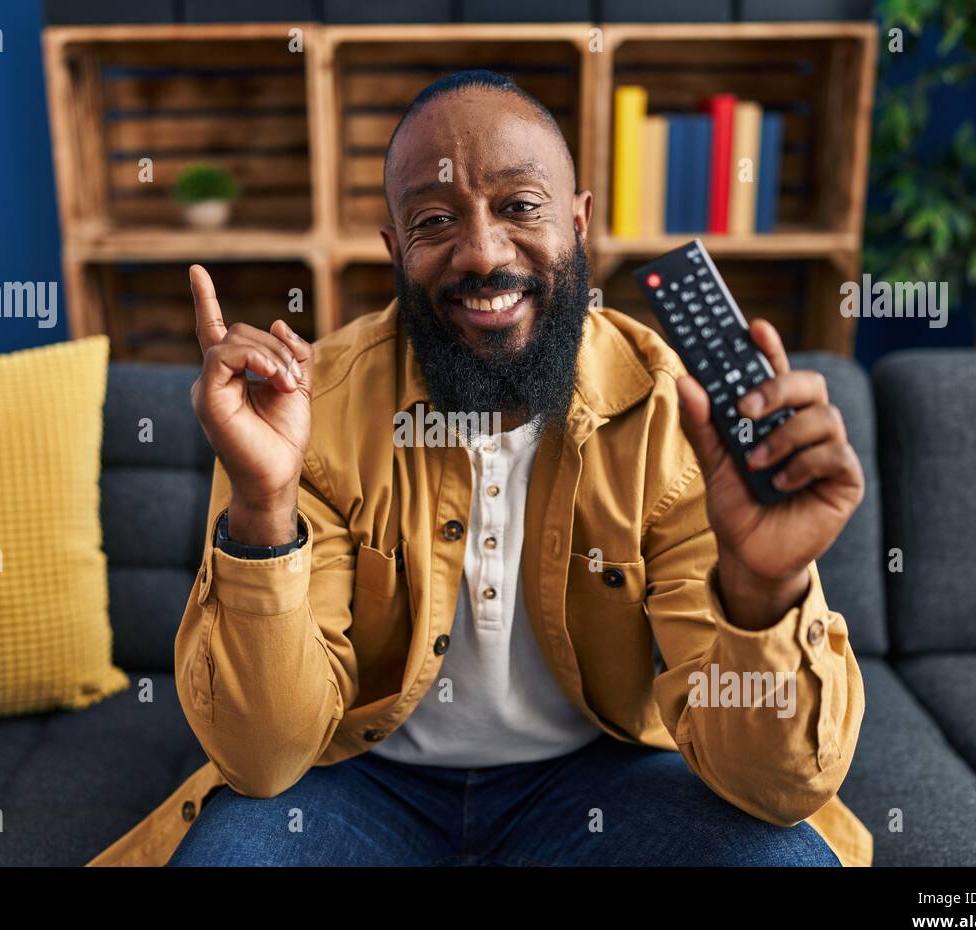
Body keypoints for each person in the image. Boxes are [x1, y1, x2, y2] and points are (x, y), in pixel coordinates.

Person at [166, 69, 869, 866]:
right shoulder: (304, 409)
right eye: (435, 221)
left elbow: (773, 785)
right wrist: (265, 502)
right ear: (397, 250)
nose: (483, 253)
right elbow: (265, 760)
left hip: (601, 777)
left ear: (579, 222)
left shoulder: (679, 413)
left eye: (520, 206)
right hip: (361, 778)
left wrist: (764, 591)